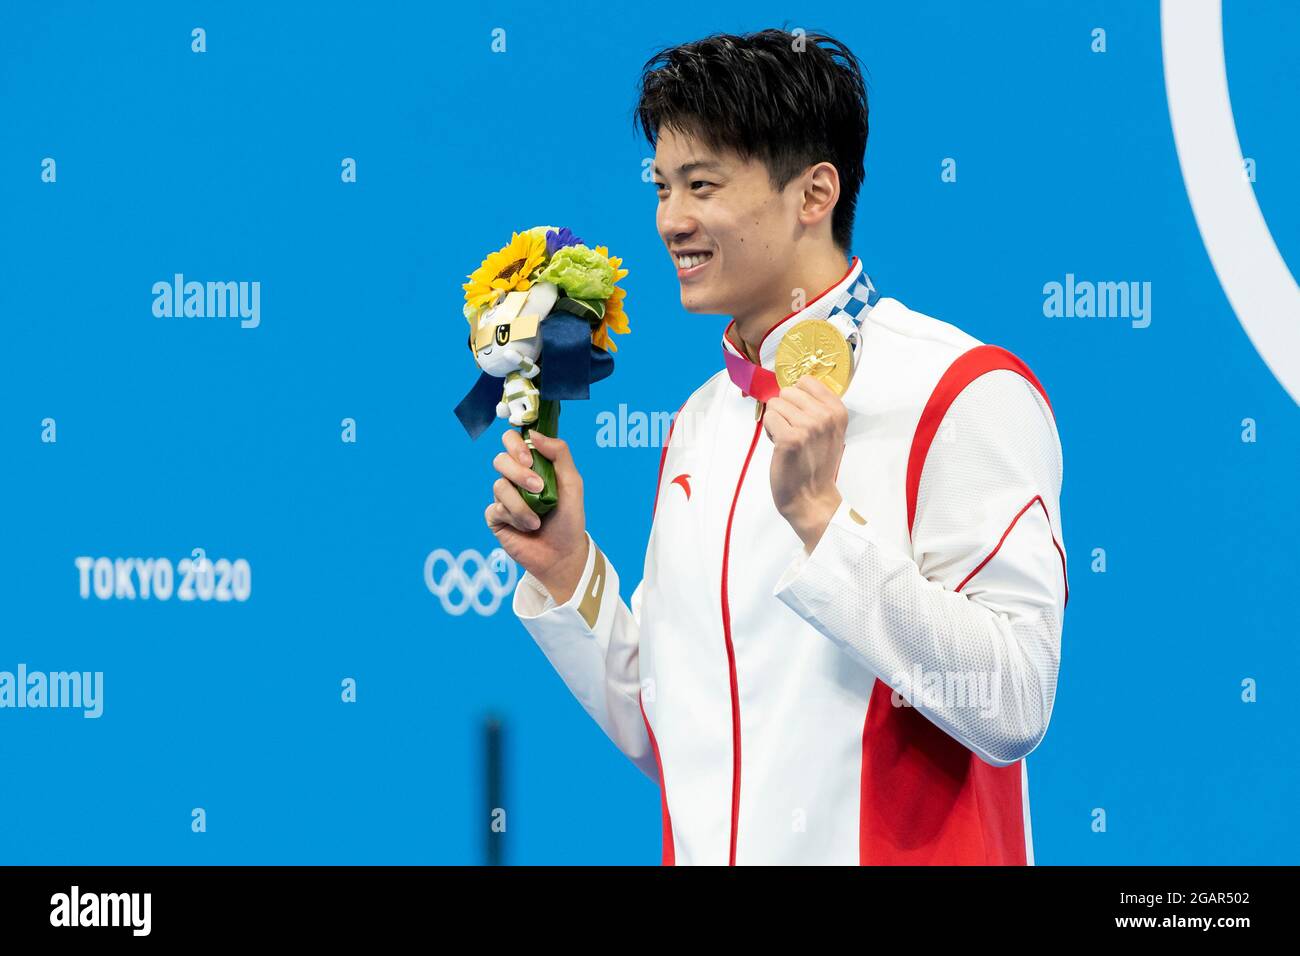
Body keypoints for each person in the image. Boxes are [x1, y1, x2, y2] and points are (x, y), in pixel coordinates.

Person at [485, 28, 1068, 865]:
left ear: (814, 193)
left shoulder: (961, 389)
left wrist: (824, 526)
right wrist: (568, 570)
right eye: (661, 187)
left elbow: (1014, 702)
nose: (669, 221)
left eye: (702, 185)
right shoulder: (698, 424)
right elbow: (677, 739)